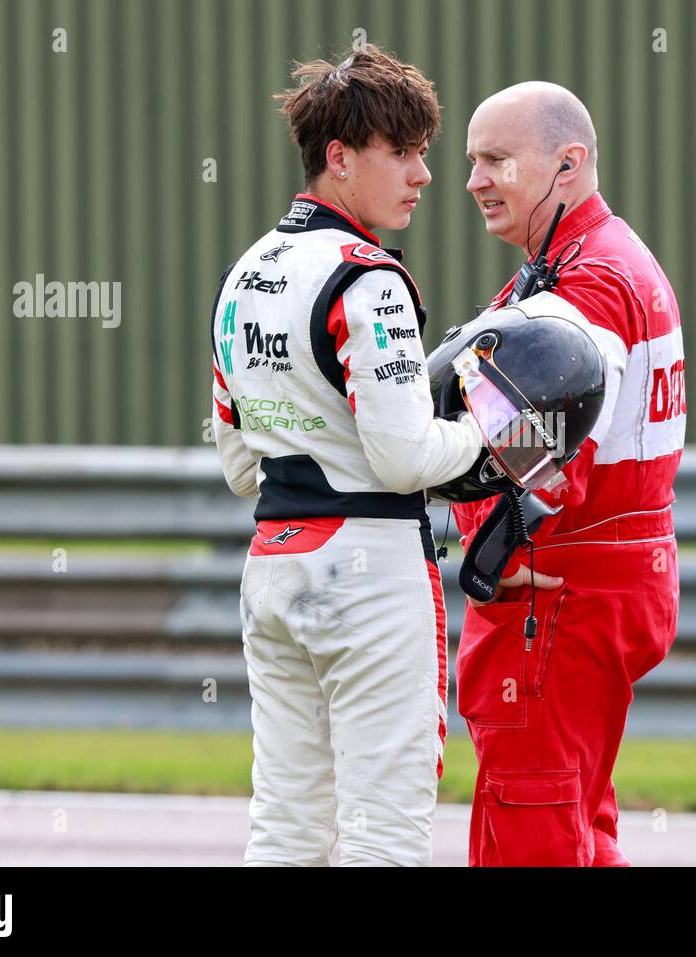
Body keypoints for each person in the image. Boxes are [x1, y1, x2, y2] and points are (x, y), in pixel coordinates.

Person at [210, 44, 485, 866]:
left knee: (287, 824)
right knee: (384, 833)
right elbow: (404, 460)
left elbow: (237, 463)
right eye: (400, 153)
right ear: (338, 159)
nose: (424, 175)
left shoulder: (244, 272)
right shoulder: (370, 278)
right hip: (369, 569)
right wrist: (493, 427)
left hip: (273, 566)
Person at [453, 81, 687, 866]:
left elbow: (551, 464)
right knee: (578, 822)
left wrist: (489, 537)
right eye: (471, 161)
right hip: (607, 579)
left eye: (495, 160)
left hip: (559, 590)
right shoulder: (600, 260)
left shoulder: (583, 284)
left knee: (531, 827)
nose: (474, 180)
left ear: (568, 162)